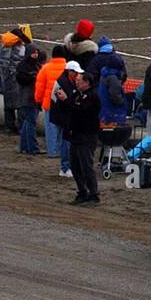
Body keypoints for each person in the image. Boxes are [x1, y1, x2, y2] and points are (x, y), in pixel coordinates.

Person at [61, 70, 102, 205]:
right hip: (75, 136)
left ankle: (94, 195)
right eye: (76, 81)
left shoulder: (92, 97)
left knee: (86, 166)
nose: (76, 83)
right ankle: (82, 192)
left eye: (79, 81)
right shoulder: (77, 94)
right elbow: (72, 109)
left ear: (87, 82)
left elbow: (82, 112)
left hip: (86, 136)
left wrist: (66, 101)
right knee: (76, 166)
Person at [36, 45, 71, 177]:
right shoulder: (67, 68)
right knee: (64, 131)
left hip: (48, 103)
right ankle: (63, 153)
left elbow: (39, 87)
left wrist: (38, 100)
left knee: (51, 129)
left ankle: (52, 151)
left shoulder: (46, 68)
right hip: (64, 104)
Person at [0, 24, 32, 135]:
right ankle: (21, 128)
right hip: (17, 80)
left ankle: (9, 127)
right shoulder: (21, 49)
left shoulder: (4, 48)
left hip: (5, 78)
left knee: (8, 105)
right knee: (20, 105)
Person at [15, 44, 45, 155]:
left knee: (28, 123)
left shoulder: (36, 66)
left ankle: (24, 146)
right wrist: (33, 77)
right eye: (33, 52)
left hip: (33, 98)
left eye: (37, 52)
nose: (35, 55)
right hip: (28, 98)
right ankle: (33, 148)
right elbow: (21, 79)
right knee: (30, 123)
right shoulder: (23, 67)